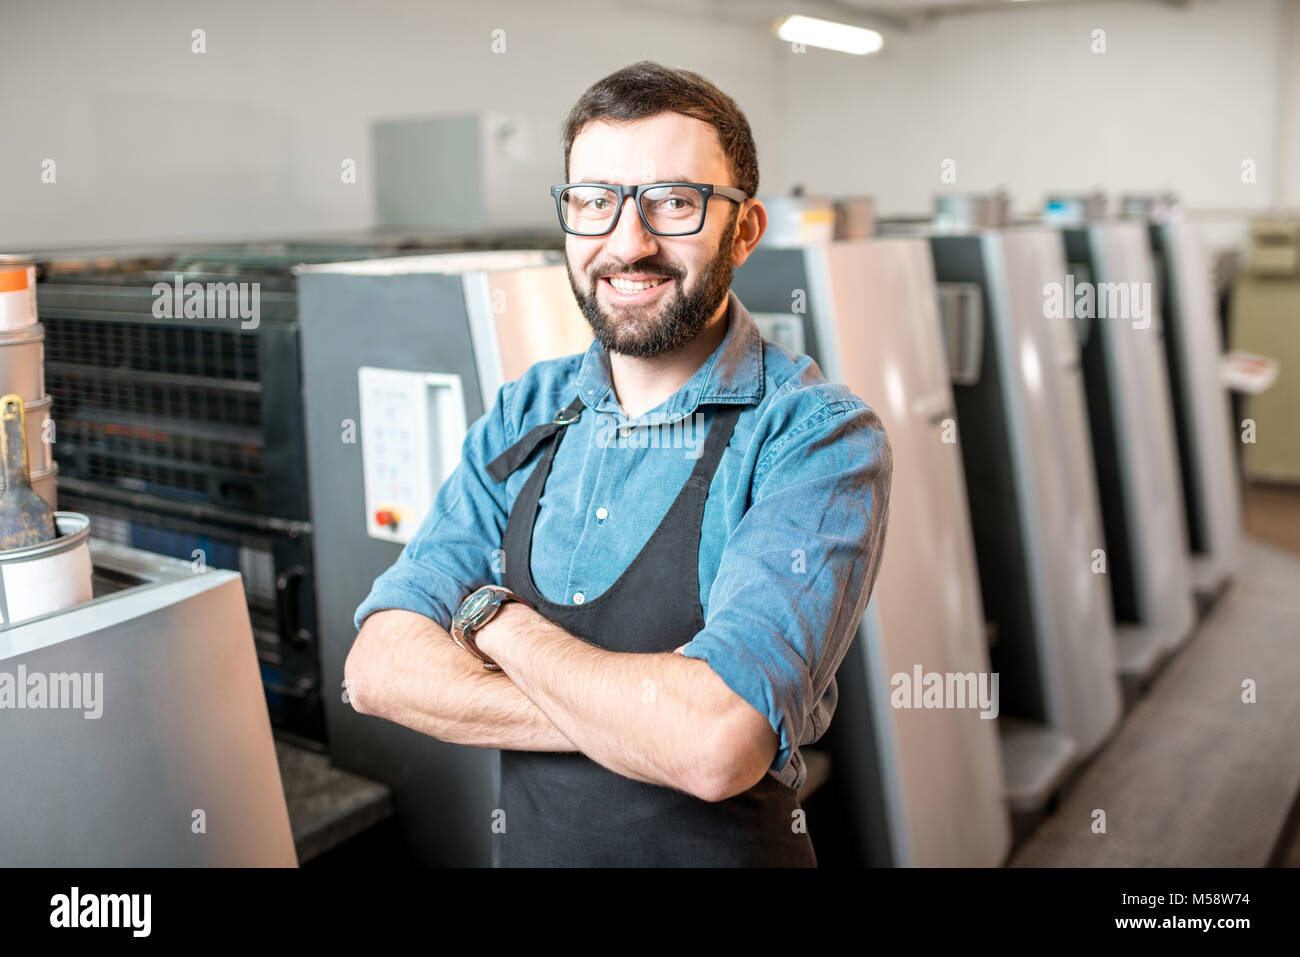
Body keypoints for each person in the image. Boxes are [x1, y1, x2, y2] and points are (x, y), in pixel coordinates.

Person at [345, 60, 892, 867]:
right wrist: (646, 716)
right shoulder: (525, 412)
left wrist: (494, 619)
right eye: (595, 202)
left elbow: (715, 742)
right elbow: (379, 667)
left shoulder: (814, 438)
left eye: (674, 202)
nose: (627, 243)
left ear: (744, 228)